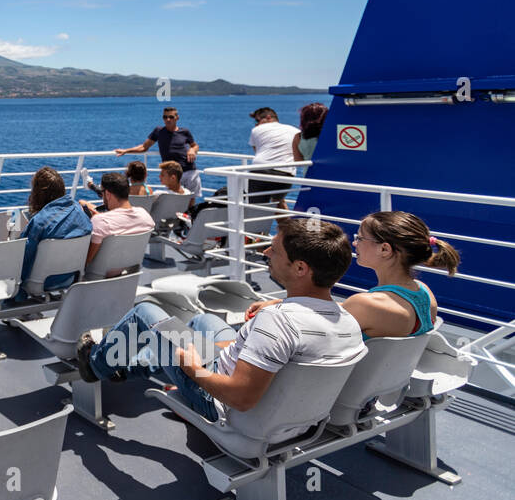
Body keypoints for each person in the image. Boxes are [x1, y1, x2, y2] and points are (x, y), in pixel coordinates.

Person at [74, 218, 364, 421]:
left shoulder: (277, 324)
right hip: (278, 400)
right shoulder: (347, 320)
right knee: (202, 322)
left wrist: (194, 370)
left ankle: (96, 365)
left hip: (219, 401)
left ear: (300, 268)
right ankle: (130, 368)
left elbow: (241, 399)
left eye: (274, 250)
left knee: (146, 313)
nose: (265, 253)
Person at [248, 211, 459, 339]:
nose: (355, 243)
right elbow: (345, 309)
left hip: (338, 397)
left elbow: (304, 328)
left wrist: (274, 311)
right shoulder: (424, 293)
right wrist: (277, 302)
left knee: (214, 328)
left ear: (385, 250)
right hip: (378, 390)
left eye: (361, 238)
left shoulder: (366, 304)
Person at [18, 167, 92, 295]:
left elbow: (22, 258)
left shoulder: (40, 222)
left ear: (38, 193)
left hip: (39, 283)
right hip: (69, 280)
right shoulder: (82, 214)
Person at [114, 107, 201, 197]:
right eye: (165, 117)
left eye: (171, 117)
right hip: (170, 174)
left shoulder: (185, 132)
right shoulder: (159, 131)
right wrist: (126, 151)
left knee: (190, 200)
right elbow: (144, 147)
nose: (168, 119)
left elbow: (195, 145)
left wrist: (192, 149)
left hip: (189, 170)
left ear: (177, 118)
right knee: (171, 200)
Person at [81, 173, 154, 265]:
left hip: (99, 275)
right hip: (131, 272)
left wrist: (97, 220)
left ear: (107, 194)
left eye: (102, 192)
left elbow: (87, 260)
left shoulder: (100, 221)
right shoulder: (145, 216)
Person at [247, 107, 300, 215]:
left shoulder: (256, 130)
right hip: (285, 173)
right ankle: (287, 230)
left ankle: (258, 231)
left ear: (268, 117)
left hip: (261, 171)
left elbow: (257, 150)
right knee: (278, 203)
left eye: (257, 120)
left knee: (256, 210)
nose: (256, 124)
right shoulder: (295, 130)